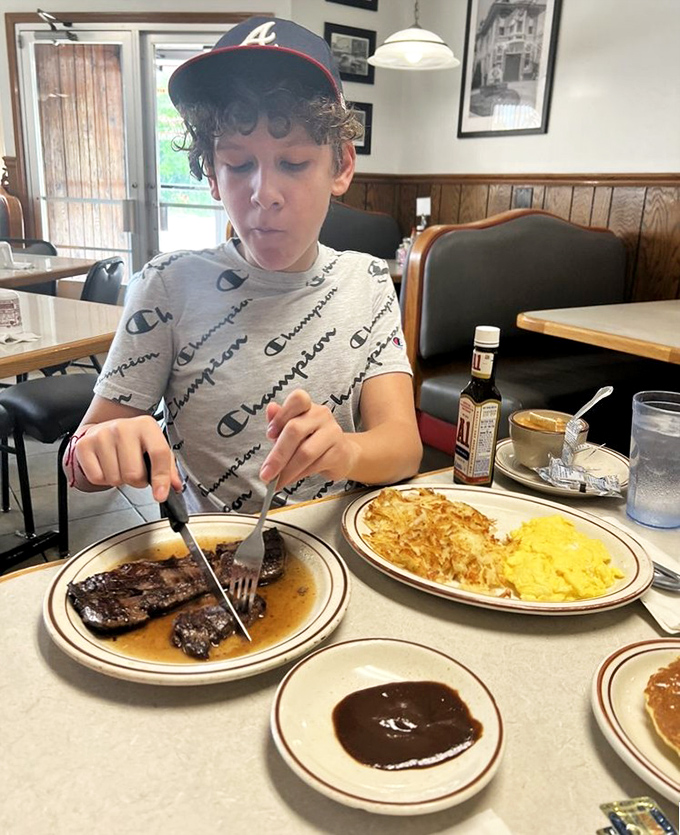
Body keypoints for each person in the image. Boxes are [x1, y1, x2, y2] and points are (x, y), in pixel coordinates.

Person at [65, 15, 422, 514]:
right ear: (211, 173)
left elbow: (404, 448)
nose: (264, 195)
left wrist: (347, 450)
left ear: (341, 166)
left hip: (339, 557)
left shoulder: (367, 281)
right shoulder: (166, 287)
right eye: (238, 165)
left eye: (293, 163)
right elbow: (80, 467)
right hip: (214, 562)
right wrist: (97, 450)